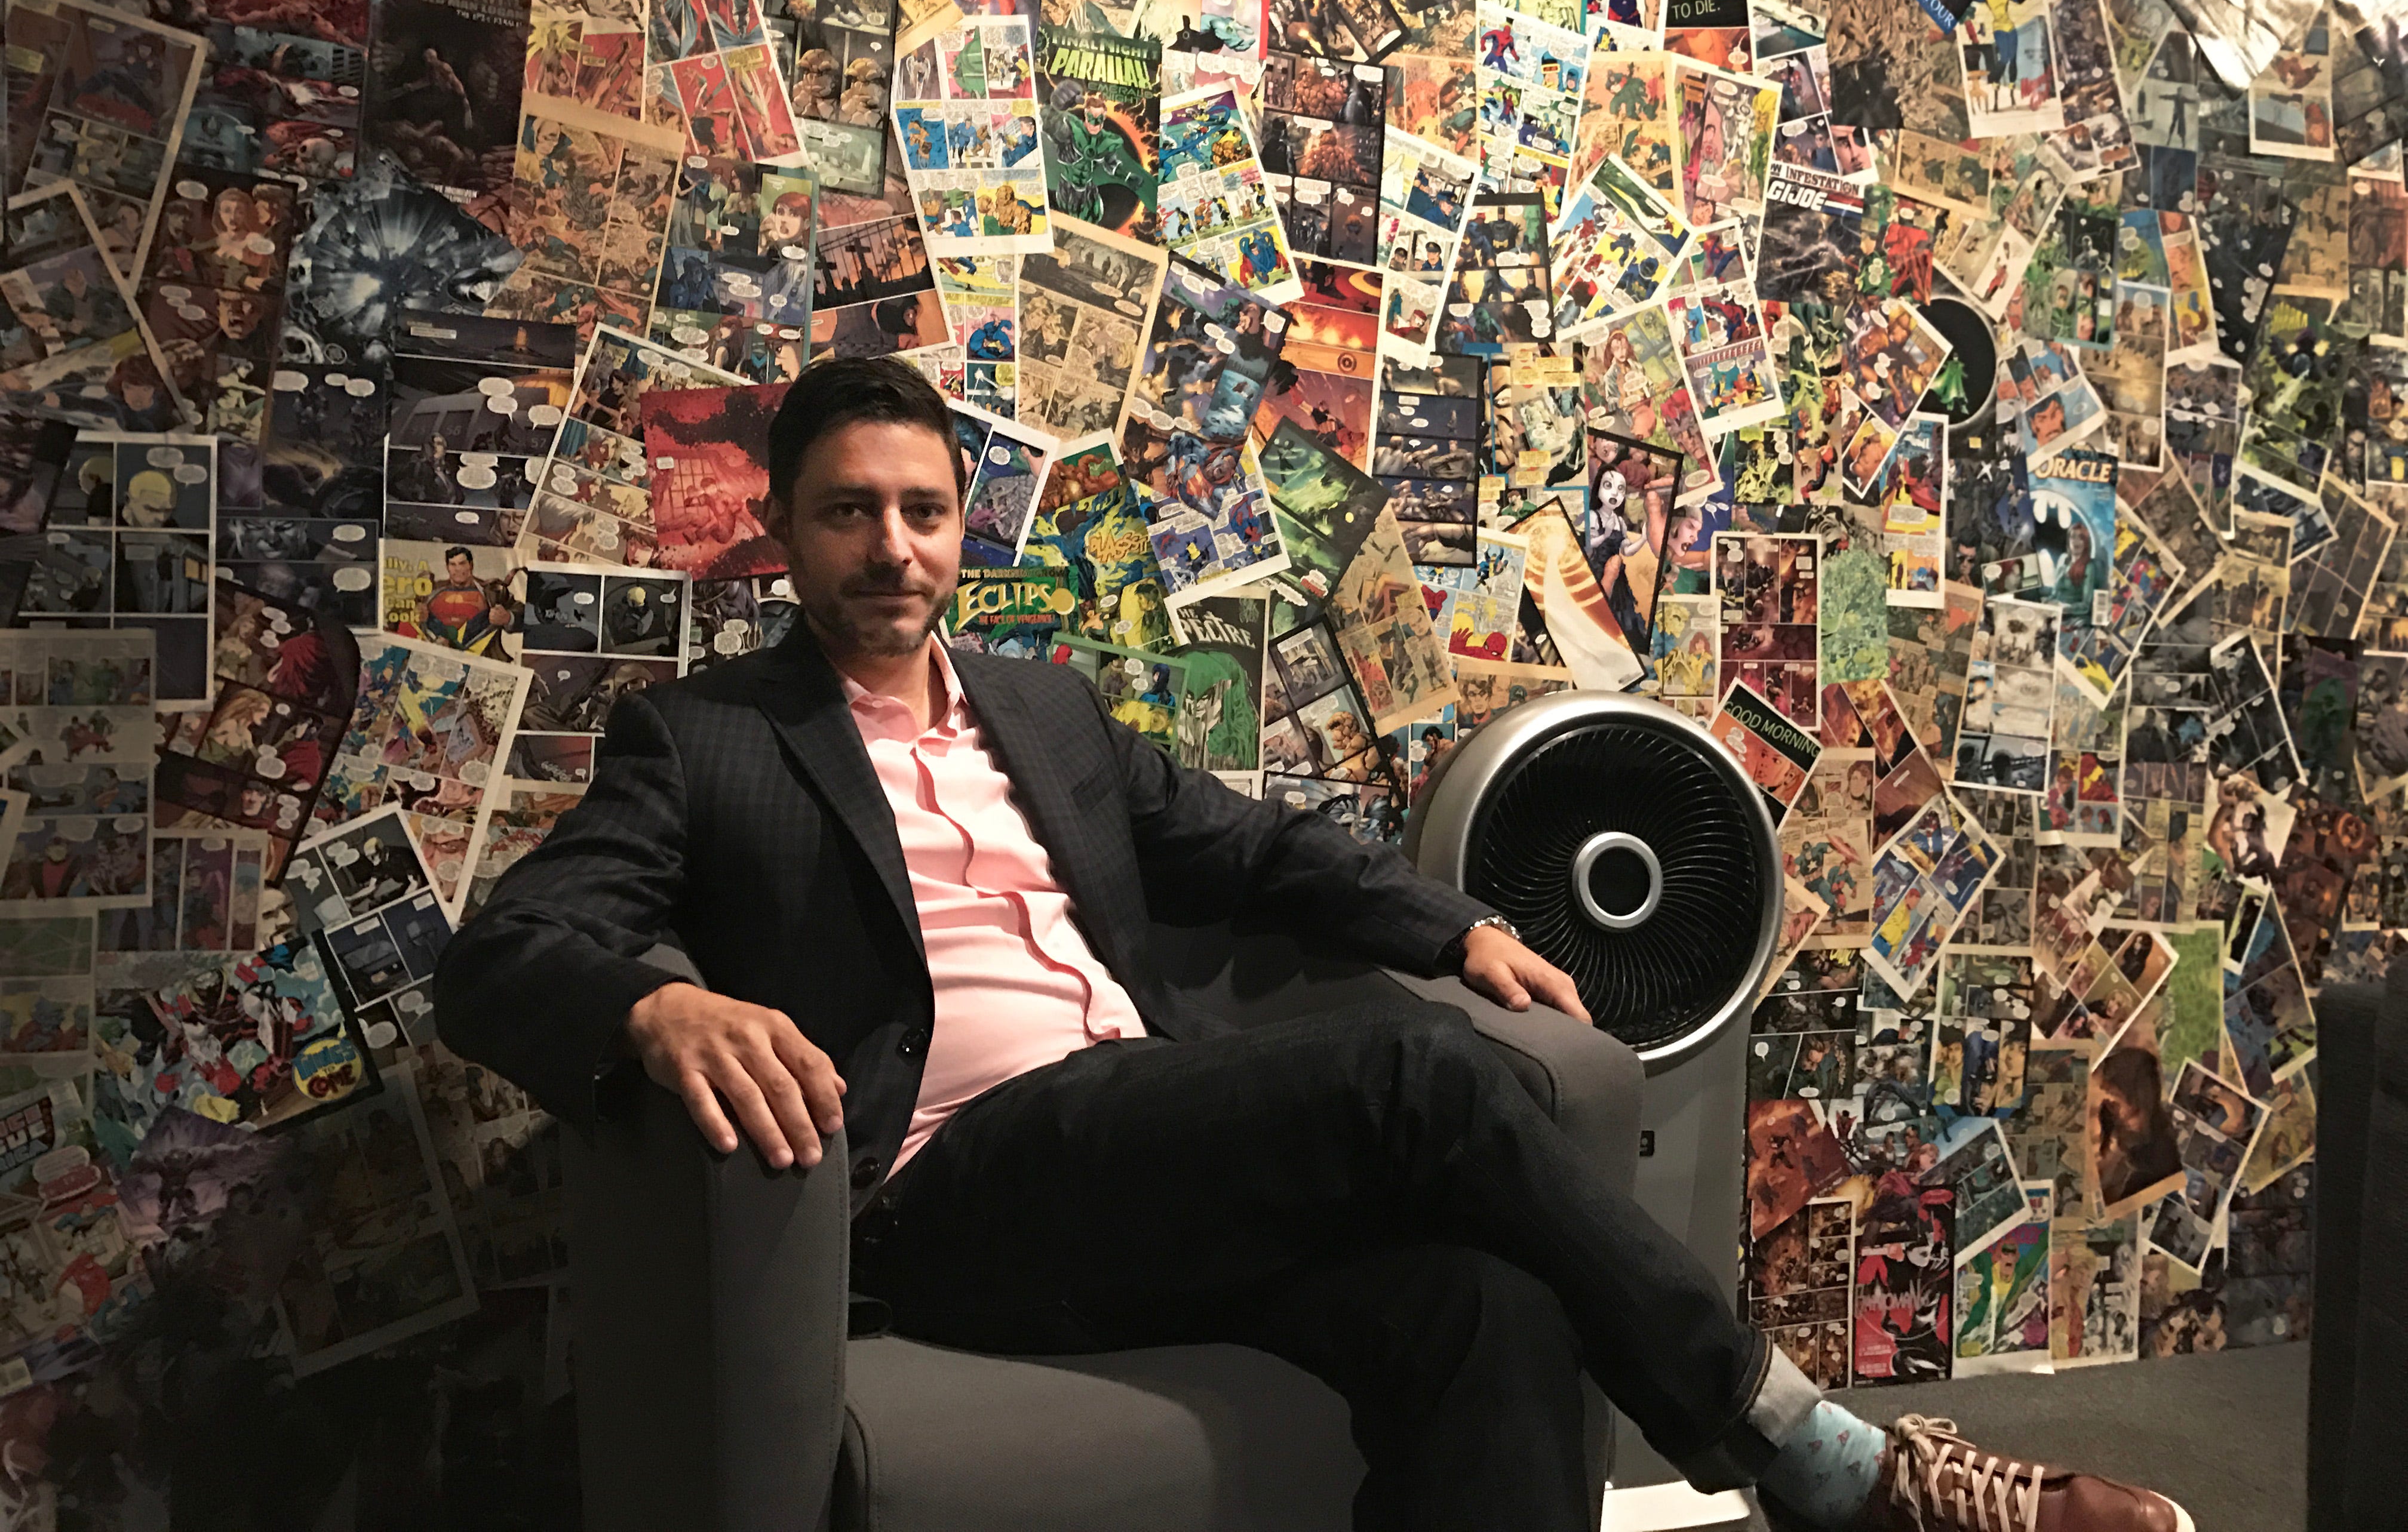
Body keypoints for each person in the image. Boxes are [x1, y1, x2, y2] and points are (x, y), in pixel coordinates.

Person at [434, 359, 2191, 1532]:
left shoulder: (1044, 712)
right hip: (951, 1190)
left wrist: (1461, 921)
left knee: (1492, 1312)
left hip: (1148, 1149)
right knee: (1423, 1075)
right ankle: (1825, 1461)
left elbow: (1255, 847)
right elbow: (512, 945)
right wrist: (655, 1004)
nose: (892, 548)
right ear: (786, 532)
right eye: (848, 512)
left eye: (923, 510)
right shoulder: (712, 740)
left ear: (963, 527)